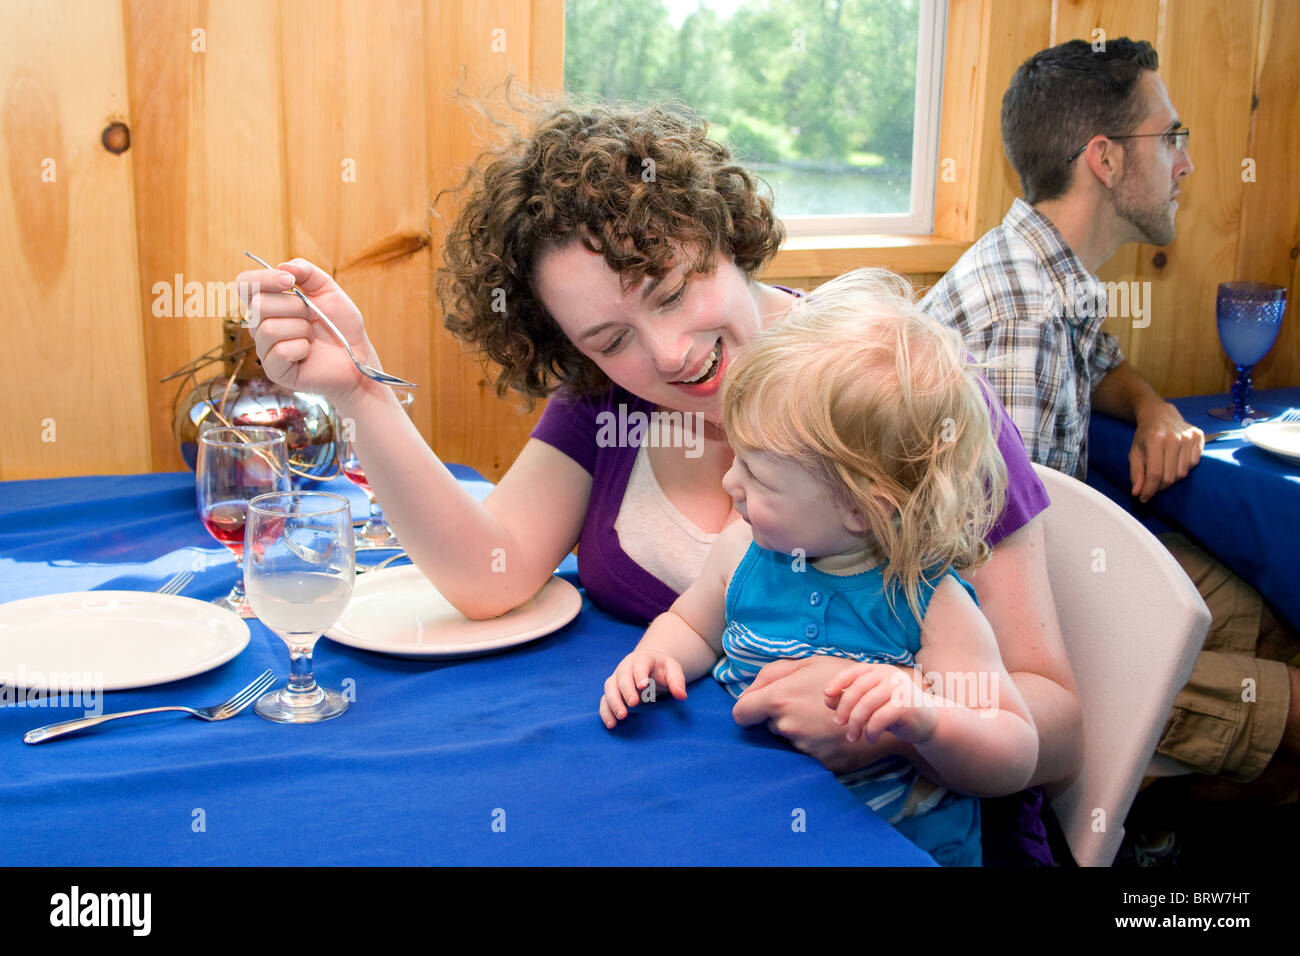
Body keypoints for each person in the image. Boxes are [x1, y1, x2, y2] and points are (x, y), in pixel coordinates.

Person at [239, 102, 1080, 865]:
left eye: (676, 290)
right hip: (707, 813)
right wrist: (358, 391)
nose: (671, 353)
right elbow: (485, 577)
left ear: (725, 234)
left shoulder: (895, 395)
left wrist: (896, 718)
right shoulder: (611, 403)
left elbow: (1058, 720)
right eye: (611, 339)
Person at [922, 39, 1299, 807]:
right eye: (1171, 139)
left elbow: (1103, 367)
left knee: (1270, 618)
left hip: (1064, 572)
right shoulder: (1021, 322)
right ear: (1105, 158)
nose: (1185, 164)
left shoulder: (1051, 266)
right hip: (1007, 624)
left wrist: (1155, 407)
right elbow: (997, 580)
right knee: (1288, 708)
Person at [598, 270, 1039, 866]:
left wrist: (929, 718)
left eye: (759, 477)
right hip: (757, 817)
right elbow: (694, 625)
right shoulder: (743, 552)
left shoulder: (928, 605)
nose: (731, 484)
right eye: (737, 460)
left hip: (892, 845)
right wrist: (655, 657)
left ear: (861, 510)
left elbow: (1014, 751)